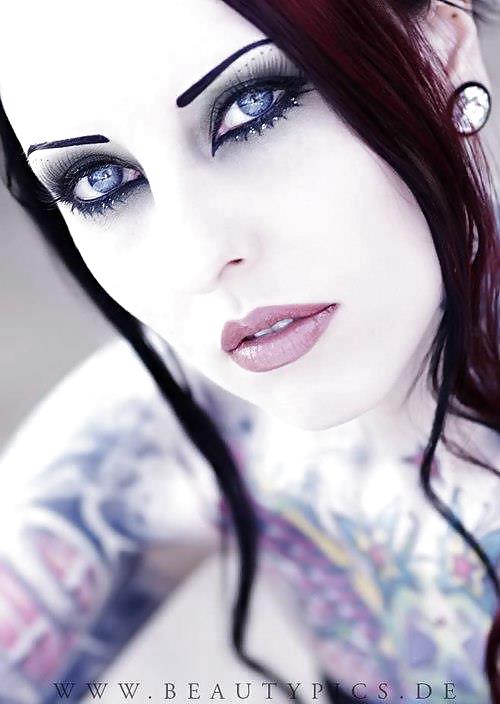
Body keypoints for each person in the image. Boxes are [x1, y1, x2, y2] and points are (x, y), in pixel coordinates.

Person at [0, 0, 499, 702]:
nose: (194, 257)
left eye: (252, 106)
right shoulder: (172, 437)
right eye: (99, 181)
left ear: (441, 51)